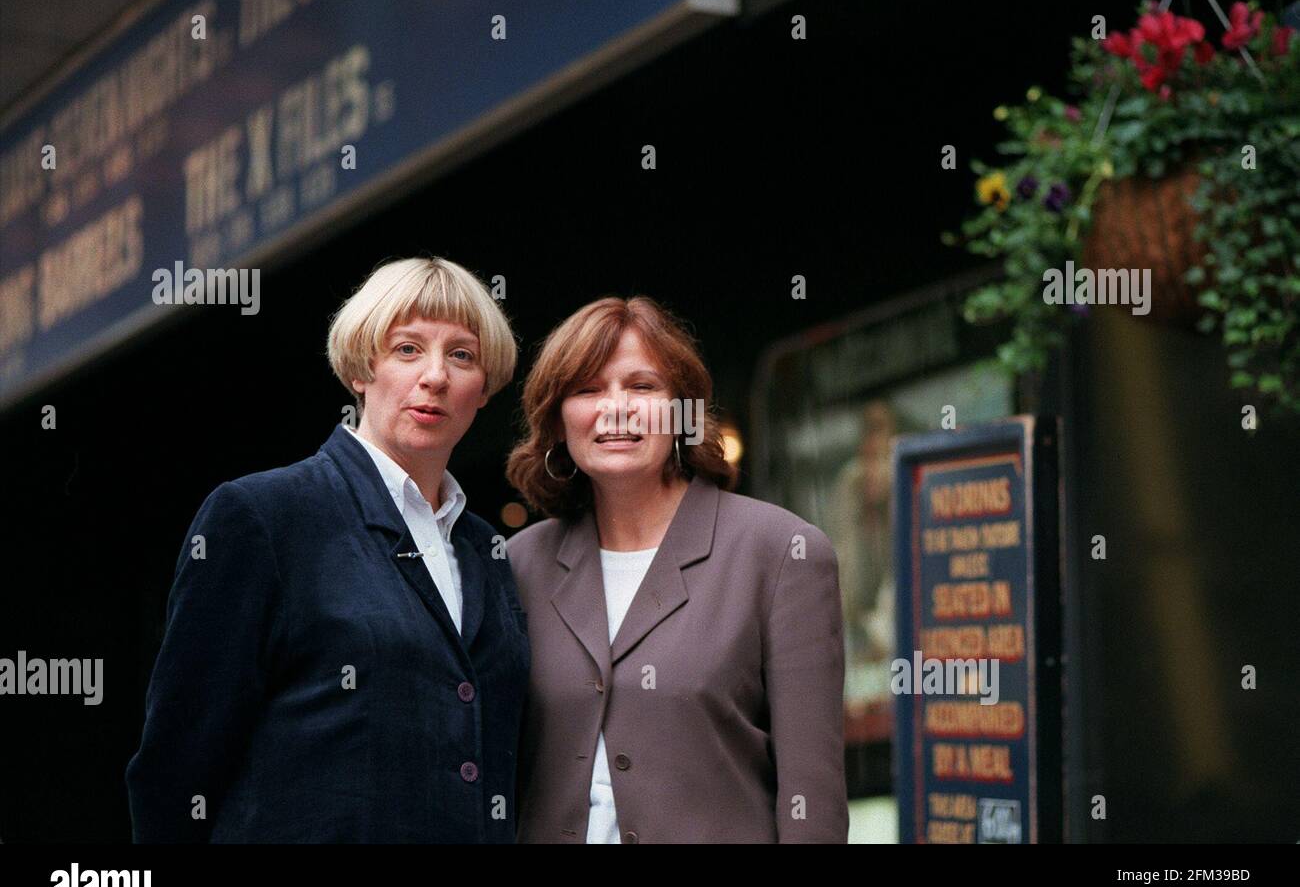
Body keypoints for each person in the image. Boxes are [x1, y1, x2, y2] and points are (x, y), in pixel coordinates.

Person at [126, 257, 529, 842]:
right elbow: (175, 767)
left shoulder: (486, 548)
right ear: (363, 368)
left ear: (484, 389)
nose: (436, 376)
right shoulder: (263, 516)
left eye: (462, 355)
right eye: (408, 349)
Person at [505, 295, 848, 843]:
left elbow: (813, 802)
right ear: (558, 419)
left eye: (642, 387)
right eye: (588, 390)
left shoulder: (782, 553)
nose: (615, 409)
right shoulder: (518, 566)